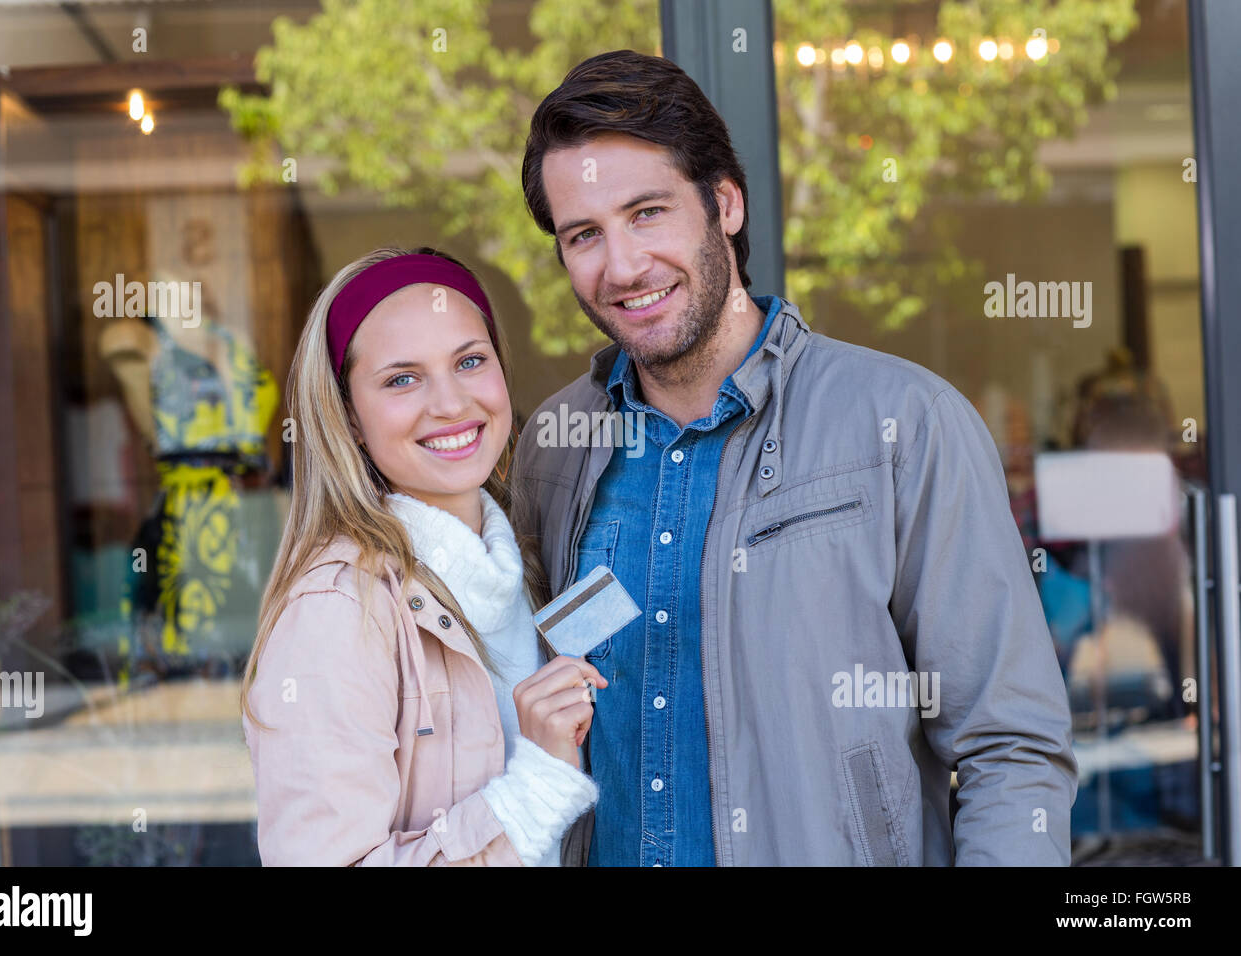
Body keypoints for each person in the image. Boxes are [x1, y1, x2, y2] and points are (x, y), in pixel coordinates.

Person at [511, 50, 1079, 866]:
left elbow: (1011, 749)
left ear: (725, 203)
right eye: (584, 235)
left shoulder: (902, 423)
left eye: (648, 213)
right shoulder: (556, 450)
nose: (623, 266)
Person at [241, 246, 606, 865]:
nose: (451, 403)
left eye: (470, 361)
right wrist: (539, 781)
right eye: (402, 379)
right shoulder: (337, 610)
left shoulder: (534, 562)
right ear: (349, 417)